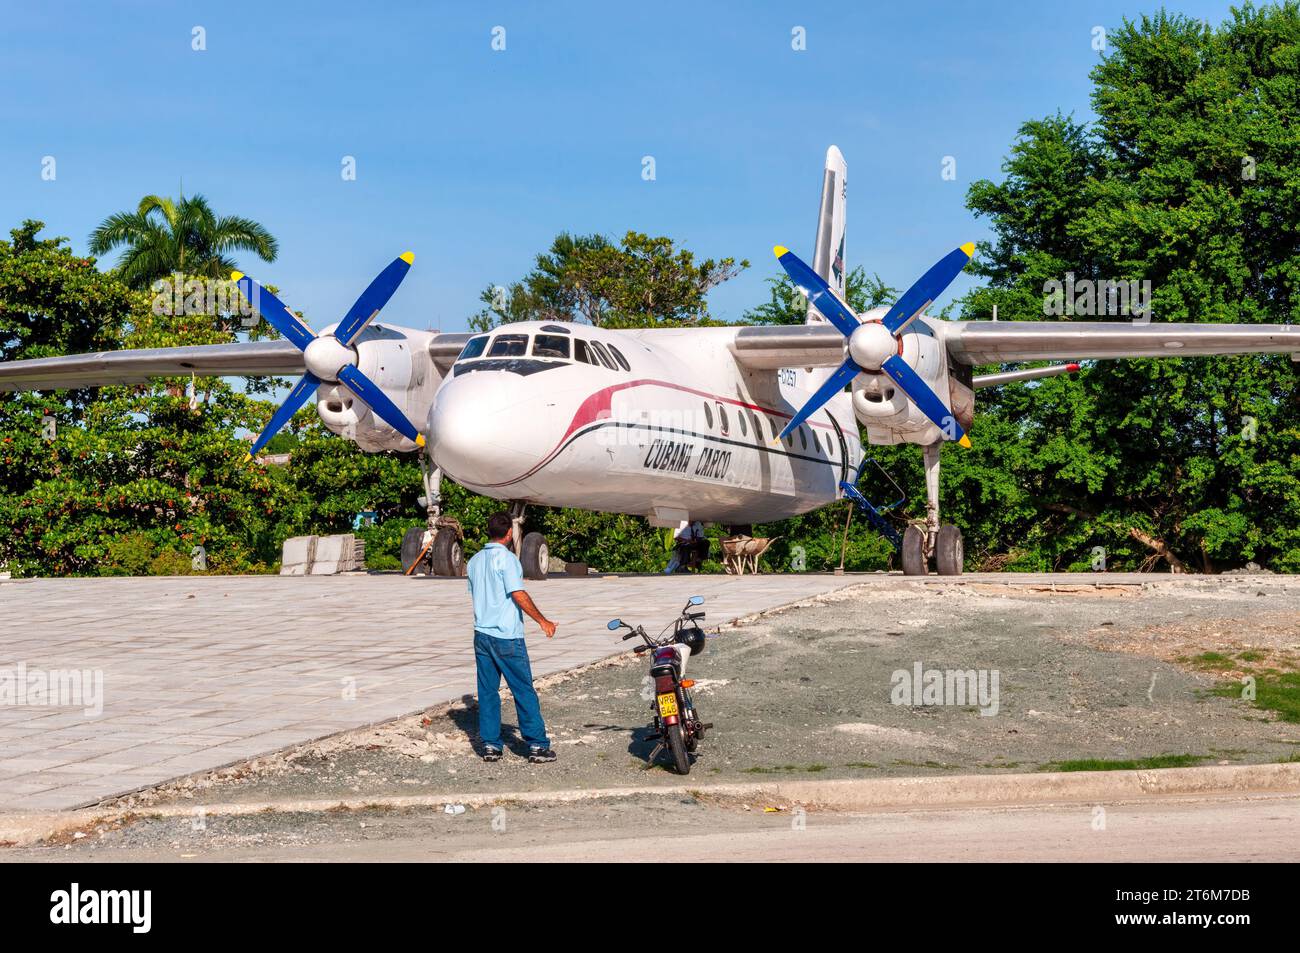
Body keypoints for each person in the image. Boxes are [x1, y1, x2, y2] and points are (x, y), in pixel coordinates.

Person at [467, 512, 559, 763]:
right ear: (509, 533)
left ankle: (490, 746)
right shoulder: (507, 560)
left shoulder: (474, 561)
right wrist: (543, 621)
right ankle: (537, 746)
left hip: (481, 635)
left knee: (487, 692)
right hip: (506, 637)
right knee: (523, 691)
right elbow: (518, 594)